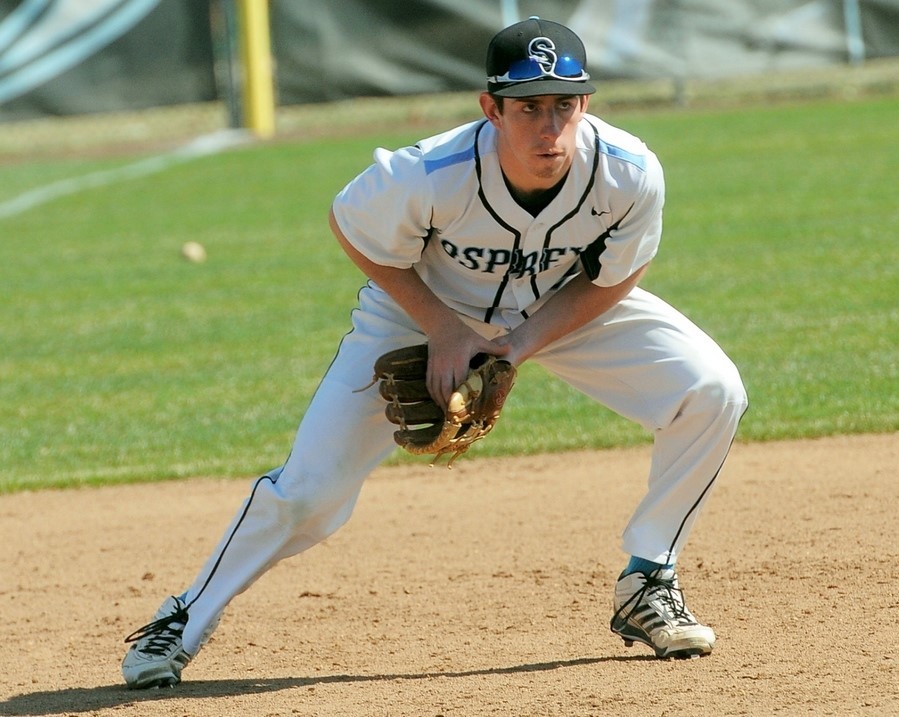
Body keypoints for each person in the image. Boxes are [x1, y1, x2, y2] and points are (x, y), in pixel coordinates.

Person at [121, 16, 748, 689]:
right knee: (310, 491)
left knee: (712, 391)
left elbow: (619, 273)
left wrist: (520, 345)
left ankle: (649, 577)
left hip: (555, 306)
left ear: (586, 103)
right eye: (528, 107)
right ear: (491, 109)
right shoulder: (426, 173)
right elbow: (350, 223)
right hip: (418, 310)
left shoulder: (628, 172)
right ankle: (183, 618)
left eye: (564, 104)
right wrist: (443, 328)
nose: (549, 126)